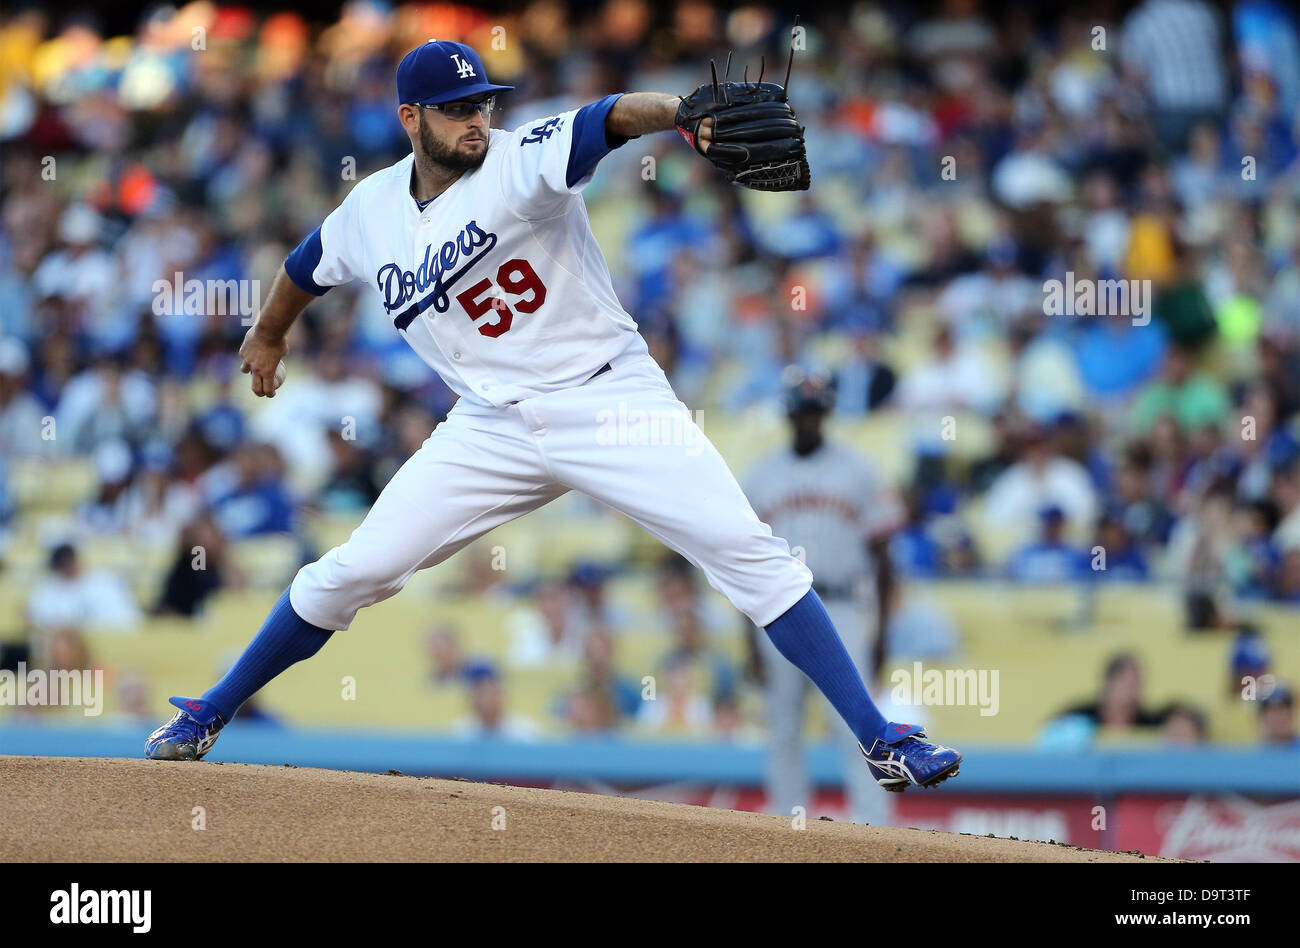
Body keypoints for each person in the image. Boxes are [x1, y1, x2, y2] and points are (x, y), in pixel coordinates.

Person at [144, 40, 961, 793]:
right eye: (458, 108)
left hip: (608, 397)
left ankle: (881, 737)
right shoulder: (371, 210)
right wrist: (268, 330)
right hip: (490, 425)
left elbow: (606, 118)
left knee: (750, 554)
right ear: (410, 119)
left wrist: (680, 113)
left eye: (484, 103)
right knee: (355, 569)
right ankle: (209, 711)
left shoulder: (519, 159)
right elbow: (304, 266)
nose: (477, 120)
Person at [743, 369, 902, 823]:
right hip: (775, 611)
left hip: (843, 605)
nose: (809, 417)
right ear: (789, 412)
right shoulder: (760, 476)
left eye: (816, 409)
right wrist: (746, 636)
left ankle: (876, 832)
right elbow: (744, 564)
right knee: (783, 731)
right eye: (801, 409)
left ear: (827, 411)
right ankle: (789, 829)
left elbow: (885, 557)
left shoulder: (859, 470)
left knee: (858, 728)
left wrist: (882, 632)